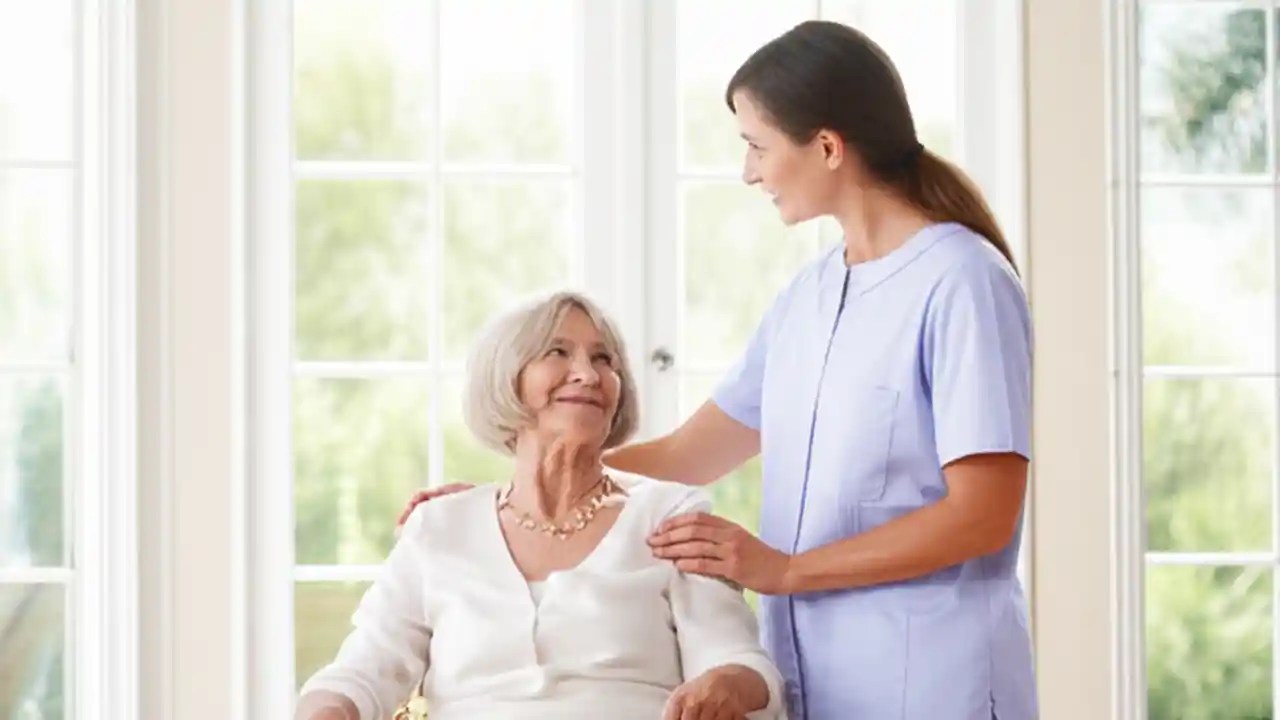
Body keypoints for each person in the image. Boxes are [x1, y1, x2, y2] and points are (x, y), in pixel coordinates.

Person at [401, 20, 1035, 720]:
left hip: (936, 684)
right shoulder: (810, 296)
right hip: (816, 688)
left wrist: (784, 570)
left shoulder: (963, 282)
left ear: (827, 147)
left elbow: (982, 516)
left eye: (757, 146)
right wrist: (516, 501)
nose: (749, 172)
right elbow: (685, 454)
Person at [297, 291, 785, 720]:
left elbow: (742, 662)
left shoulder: (668, 514)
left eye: (604, 359)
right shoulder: (440, 526)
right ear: (507, 378)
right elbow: (364, 668)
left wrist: (727, 684)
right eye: (558, 352)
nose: (588, 374)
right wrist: (331, 709)